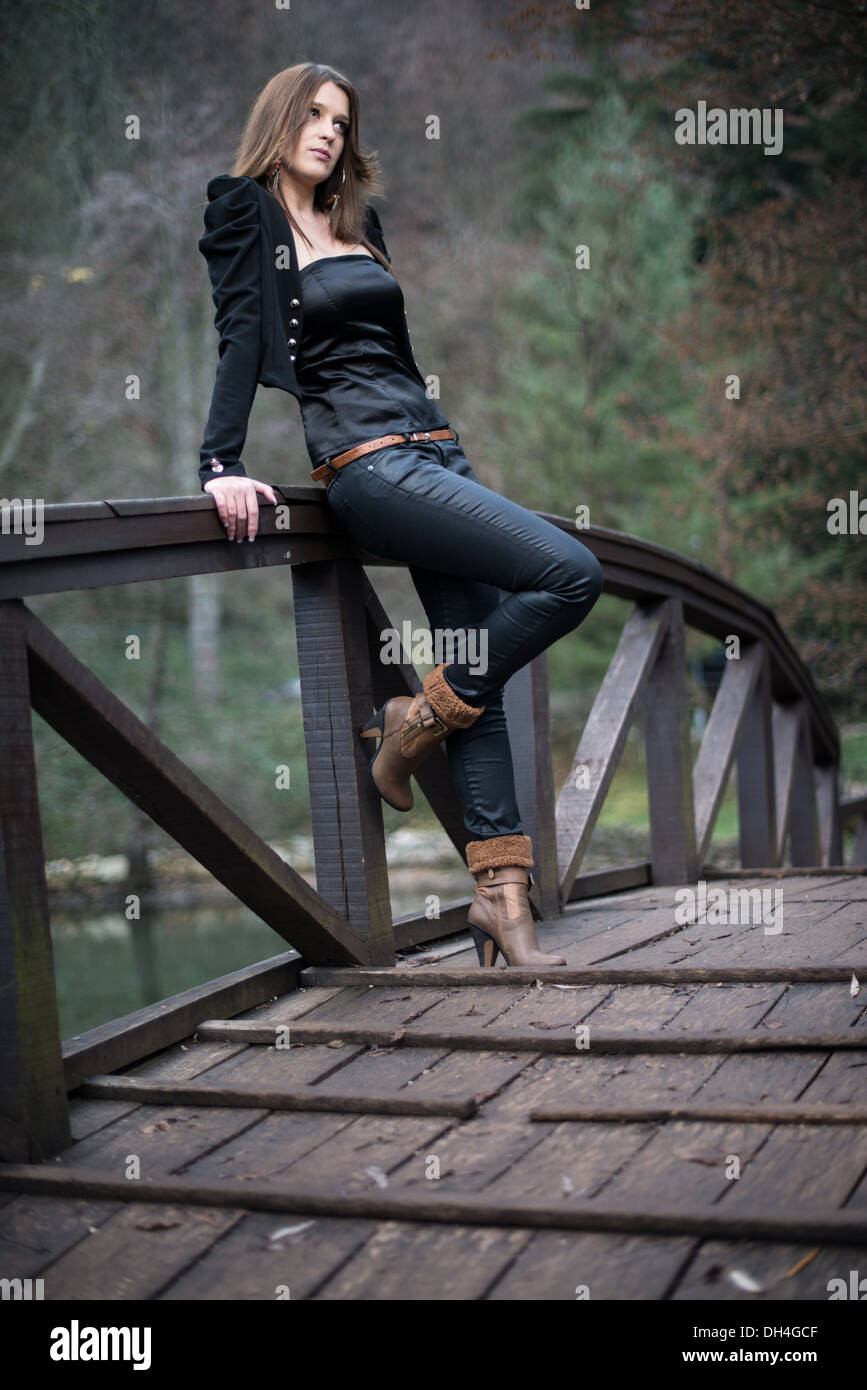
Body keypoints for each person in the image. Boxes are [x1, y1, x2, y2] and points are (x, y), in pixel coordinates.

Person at [198, 63, 604, 968]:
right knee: (571, 573)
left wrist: (442, 442)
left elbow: (393, 352)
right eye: (312, 115)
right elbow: (238, 338)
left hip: (432, 450)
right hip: (364, 465)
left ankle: (502, 902)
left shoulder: (356, 224)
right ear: (279, 120)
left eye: (341, 120)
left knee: (473, 662)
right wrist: (220, 463)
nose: (328, 132)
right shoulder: (246, 214)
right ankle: (412, 723)